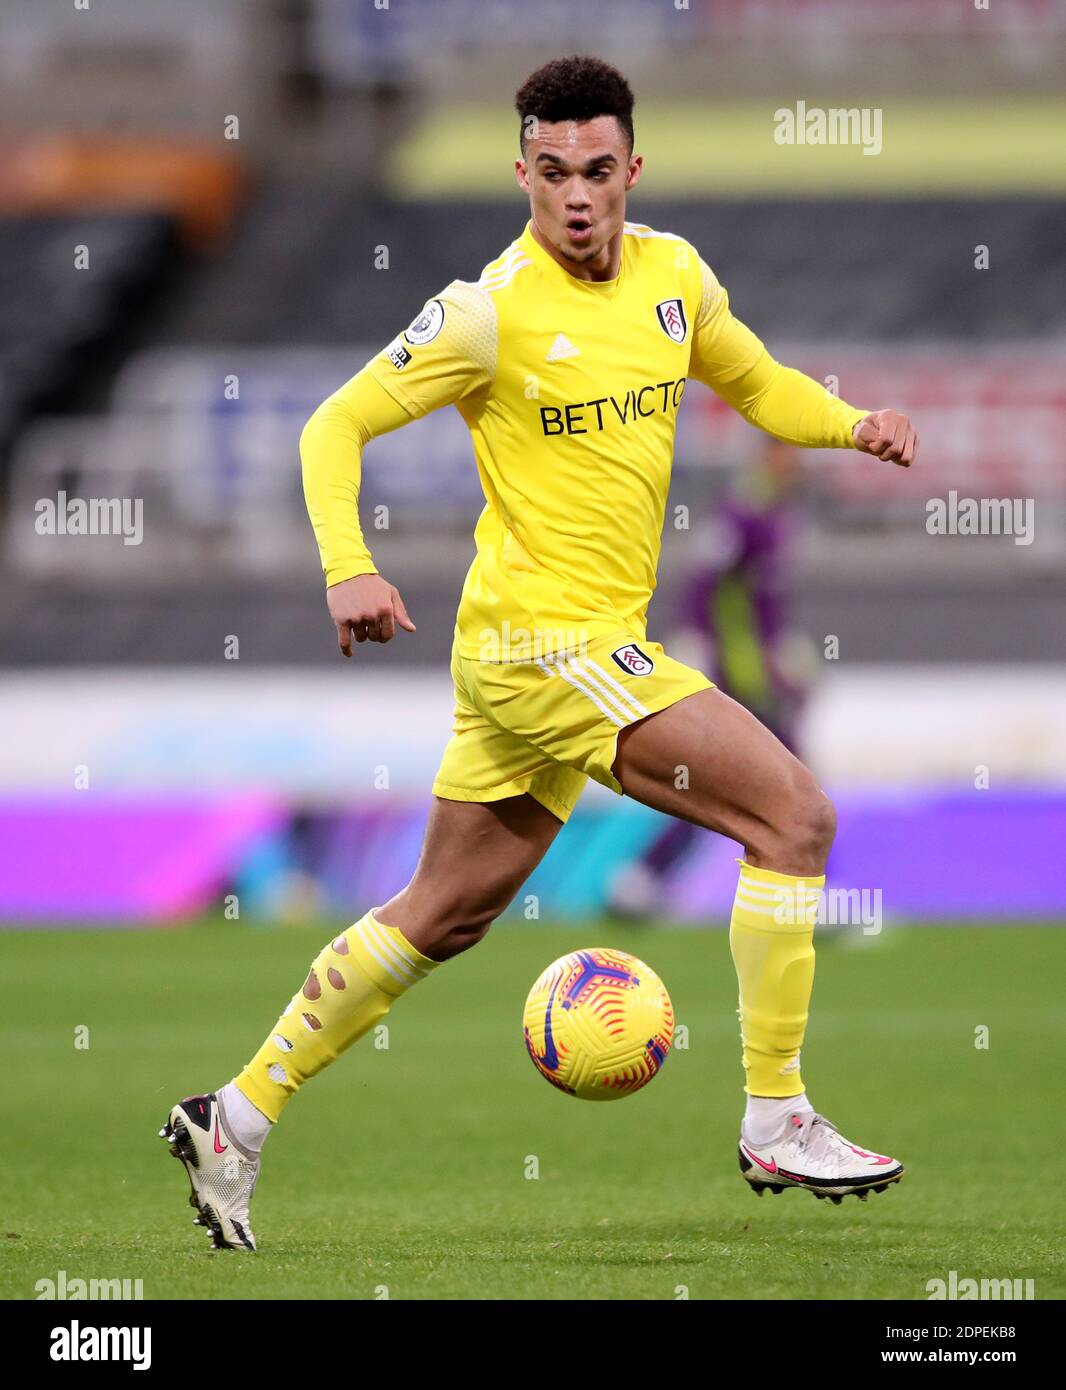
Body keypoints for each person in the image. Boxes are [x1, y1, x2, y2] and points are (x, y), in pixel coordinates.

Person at [161, 55, 916, 1250]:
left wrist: (850, 424)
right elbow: (332, 423)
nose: (575, 195)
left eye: (597, 171)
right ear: (521, 173)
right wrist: (345, 566)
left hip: (554, 653)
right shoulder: (487, 310)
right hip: (542, 647)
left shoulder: (674, 277)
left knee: (443, 913)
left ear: (632, 170)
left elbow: (758, 384)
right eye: (551, 173)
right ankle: (776, 1111)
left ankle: (235, 1118)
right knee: (795, 819)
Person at [607, 435, 817, 918]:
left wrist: (785, 652)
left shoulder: (778, 516)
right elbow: (704, 582)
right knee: (795, 787)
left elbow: (763, 604)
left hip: (760, 675)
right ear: (767, 457)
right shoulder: (742, 515)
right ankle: (805, 898)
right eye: (785, 455)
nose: (794, 465)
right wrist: (695, 639)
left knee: (734, 787)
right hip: (737, 675)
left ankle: (641, 879)